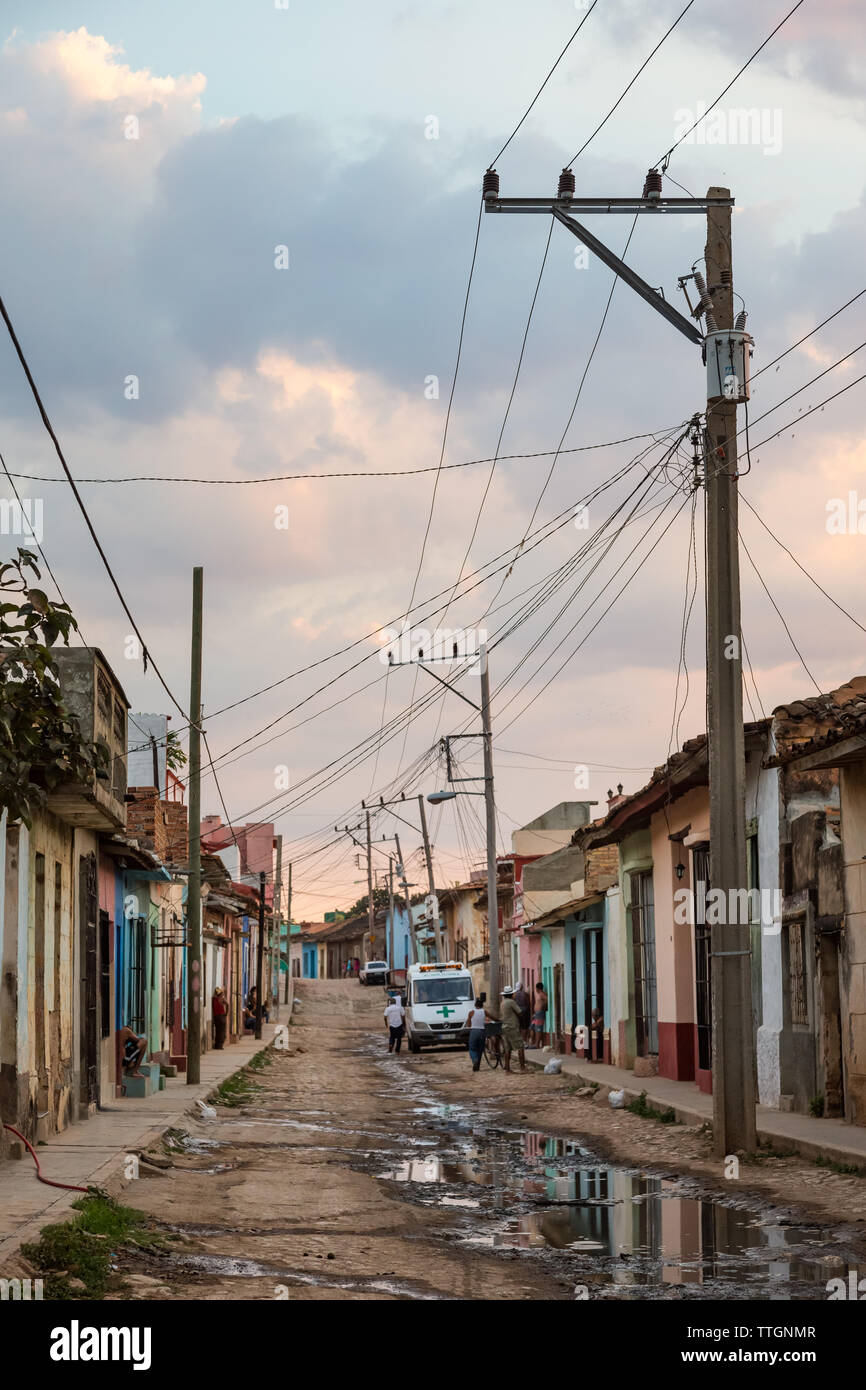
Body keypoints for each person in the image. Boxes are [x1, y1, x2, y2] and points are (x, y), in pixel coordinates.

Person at [500, 986, 526, 1072]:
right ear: (511, 994)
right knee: (520, 1046)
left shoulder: (503, 1003)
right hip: (512, 1027)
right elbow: (520, 1013)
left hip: (505, 1027)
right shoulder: (511, 1002)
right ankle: (522, 1068)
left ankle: (507, 1068)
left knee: (508, 1049)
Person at [466, 997, 487, 1072]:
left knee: (472, 1048)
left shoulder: (471, 1012)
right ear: (482, 1005)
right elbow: (493, 1017)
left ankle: (475, 1060)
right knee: (480, 1049)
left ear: (475, 1005)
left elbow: (468, 1025)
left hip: (474, 1031)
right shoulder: (484, 1011)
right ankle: (477, 1066)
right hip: (482, 1032)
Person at [530, 981, 548, 1046]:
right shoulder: (539, 995)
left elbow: (547, 1000)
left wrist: (543, 1007)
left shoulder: (542, 994)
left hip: (540, 1013)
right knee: (532, 1027)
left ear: (537, 988)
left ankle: (537, 1044)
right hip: (536, 1014)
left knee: (538, 1029)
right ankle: (533, 1042)